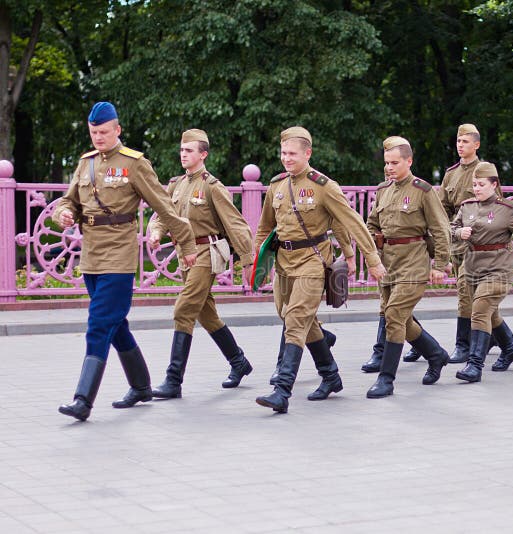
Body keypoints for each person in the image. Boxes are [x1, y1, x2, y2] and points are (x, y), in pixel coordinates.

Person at [53, 102, 197, 421]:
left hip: (119, 255)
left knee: (99, 322)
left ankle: (83, 400)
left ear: (117, 130)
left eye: (104, 132)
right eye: (93, 133)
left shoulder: (134, 164)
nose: (98, 138)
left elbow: (164, 205)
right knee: (115, 325)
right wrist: (62, 213)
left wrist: (186, 242)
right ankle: (142, 386)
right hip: (91, 256)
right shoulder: (86, 162)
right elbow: (70, 200)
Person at [254, 126, 386, 413]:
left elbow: (351, 222)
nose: (286, 159)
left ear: (307, 153)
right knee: (294, 318)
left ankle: (282, 390)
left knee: (296, 319)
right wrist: (258, 262)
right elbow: (265, 227)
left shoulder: (324, 186)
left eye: (292, 154)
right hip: (283, 263)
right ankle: (330, 376)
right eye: (283, 153)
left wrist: (370, 260)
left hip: (313, 261)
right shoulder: (276, 185)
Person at [146, 129, 254, 398]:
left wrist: (249, 262)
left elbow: (236, 224)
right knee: (206, 315)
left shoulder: (212, 187)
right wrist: (157, 233)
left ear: (203, 154)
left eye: (190, 150)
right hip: (186, 255)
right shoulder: (177, 184)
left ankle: (173, 381)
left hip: (206, 253)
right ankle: (238, 362)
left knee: (183, 310)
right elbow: (162, 214)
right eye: (182, 150)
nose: (184, 154)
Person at [364, 136, 452, 398]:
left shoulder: (423, 191)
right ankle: (436, 354)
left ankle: (386, 379)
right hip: (389, 262)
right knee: (401, 319)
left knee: (393, 315)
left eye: (394, 163)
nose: (389, 168)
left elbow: (441, 229)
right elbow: (371, 225)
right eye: (386, 163)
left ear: (409, 161)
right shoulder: (383, 190)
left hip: (414, 262)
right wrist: (374, 251)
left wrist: (440, 265)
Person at [452, 162, 513, 382]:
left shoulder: (508, 209)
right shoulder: (467, 206)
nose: (476, 188)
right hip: (473, 265)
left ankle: (474, 365)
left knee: (479, 310)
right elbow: (450, 227)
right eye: (474, 184)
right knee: (490, 313)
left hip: (499, 268)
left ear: (494, 184)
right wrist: (459, 233)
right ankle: (510, 349)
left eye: (481, 184)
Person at [437, 124, 485, 365]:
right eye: (458, 141)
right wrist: (448, 232)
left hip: (478, 239)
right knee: (468, 293)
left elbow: (491, 205)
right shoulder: (451, 173)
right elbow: (442, 207)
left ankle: (464, 345)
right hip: (457, 238)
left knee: (469, 296)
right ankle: (501, 341)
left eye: (465, 141)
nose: (460, 145)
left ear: (476, 144)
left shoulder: (484, 170)